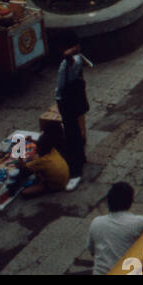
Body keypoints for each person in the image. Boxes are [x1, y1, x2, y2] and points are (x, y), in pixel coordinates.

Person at [86, 183, 143, 276]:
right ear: (130, 202)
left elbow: (92, 251)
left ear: (108, 202)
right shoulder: (139, 223)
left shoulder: (96, 223)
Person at [55, 42, 89, 189]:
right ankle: (81, 158)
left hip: (67, 101)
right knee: (74, 132)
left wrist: (71, 50)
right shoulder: (78, 59)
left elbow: (68, 57)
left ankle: (76, 172)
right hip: (71, 100)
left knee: (72, 134)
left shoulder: (71, 61)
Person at [16, 126, 70, 198]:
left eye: (37, 147)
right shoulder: (52, 149)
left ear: (41, 149)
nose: (36, 147)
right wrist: (31, 140)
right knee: (33, 159)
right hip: (65, 176)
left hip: (56, 185)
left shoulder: (42, 161)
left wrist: (20, 150)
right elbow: (42, 144)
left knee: (24, 193)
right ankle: (43, 180)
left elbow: (23, 169)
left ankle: (46, 187)